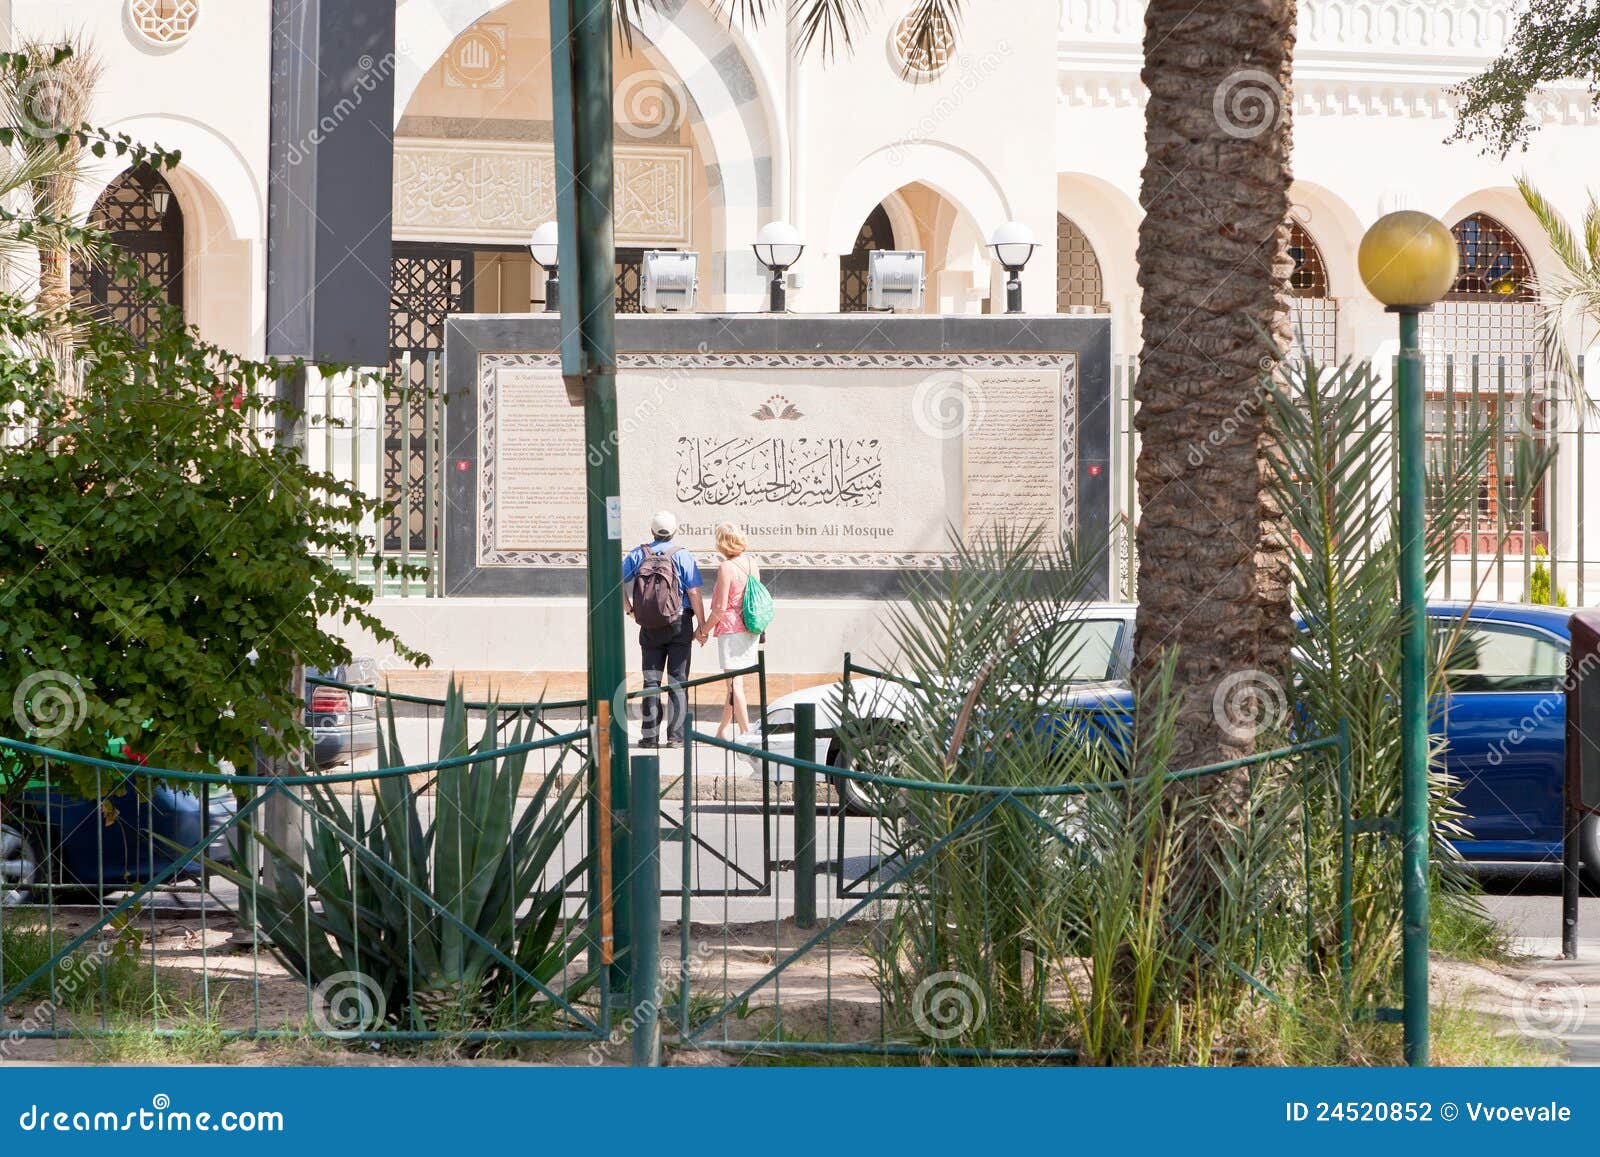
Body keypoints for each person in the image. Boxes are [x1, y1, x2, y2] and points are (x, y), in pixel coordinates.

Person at [622, 510, 705, 748]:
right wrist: (702, 624)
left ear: (652, 531)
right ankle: (676, 737)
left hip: (649, 625)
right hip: (679, 623)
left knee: (651, 682)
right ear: (674, 531)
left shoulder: (638, 554)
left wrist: (630, 610)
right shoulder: (682, 555)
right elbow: (693, 592)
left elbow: (615, 581)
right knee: (678, 680)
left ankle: (649, 737)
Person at [696, 522, 759, 740]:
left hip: (731, 630)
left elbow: (720, 607)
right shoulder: (752, 563)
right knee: (734, 684)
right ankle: (722, 730)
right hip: (750, 627)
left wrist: (703, 629)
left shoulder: (726, 567)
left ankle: (745, 733)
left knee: (734, 684)